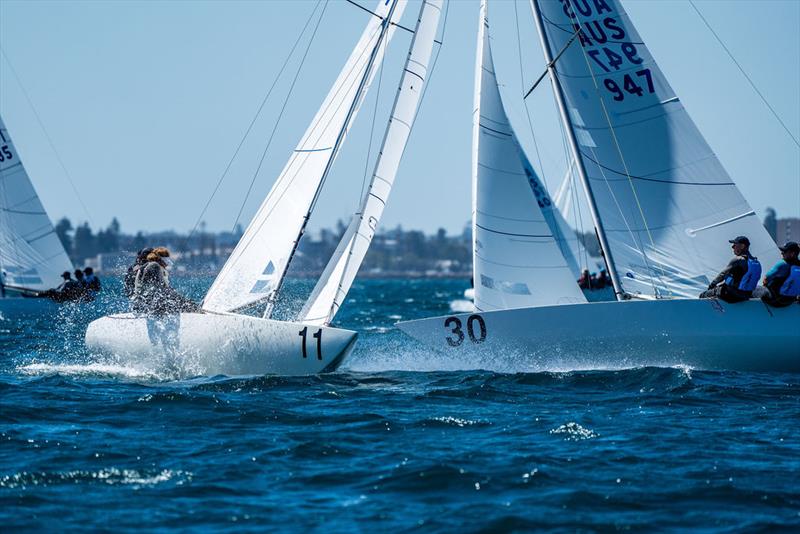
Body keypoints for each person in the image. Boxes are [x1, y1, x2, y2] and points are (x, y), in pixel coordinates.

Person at [131, 248, 199, 315]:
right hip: (147, 305)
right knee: (180, 303)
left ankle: (193, 307)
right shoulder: (154, 266)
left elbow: (163, 289)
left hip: (147, 303)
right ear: (160, 259)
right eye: (166, 259)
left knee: (180, 301)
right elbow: (158, 289)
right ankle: (194, 309)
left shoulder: (154, 266)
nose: (168, 262)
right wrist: (183, 302)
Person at [700, 236, 762, 303]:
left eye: (735, 245)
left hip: (731, 295)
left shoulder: (738, 259)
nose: (732, 247)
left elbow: (723, 274)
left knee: (703, 295)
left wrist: (712, 285)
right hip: (746, 295)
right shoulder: (756, 263)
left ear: (742, 246)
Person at [761, 241, 800, 308]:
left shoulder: (782, 264)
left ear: (792, 254)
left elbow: (766, 279)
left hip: (776, 301)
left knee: (754, 290)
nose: (781, 253)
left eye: (784, 251)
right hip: (791, 300)